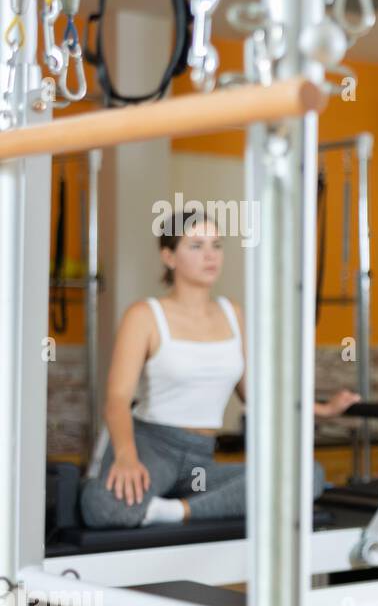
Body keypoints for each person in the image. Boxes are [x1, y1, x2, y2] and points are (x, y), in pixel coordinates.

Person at [79, 208, 361, 529]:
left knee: (306, 476)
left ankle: (176, 511)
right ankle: (130, 490)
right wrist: (126, 456)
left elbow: (257, 394)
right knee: (103, 506)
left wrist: (324, 410)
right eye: (196, 246)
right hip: (153, 449)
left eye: (216, 245)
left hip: (200, 463)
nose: (210, 255)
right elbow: (116, 399)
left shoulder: (232, 313)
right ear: (169, 257)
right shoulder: (145, 315)